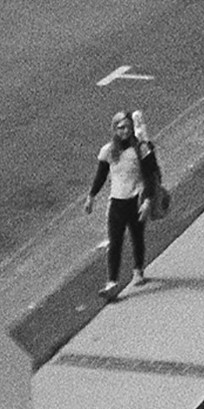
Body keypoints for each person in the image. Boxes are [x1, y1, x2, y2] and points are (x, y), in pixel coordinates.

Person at [86, 106, 155, 298]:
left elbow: (150, 175)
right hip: (116, 202)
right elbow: (101, 175)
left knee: (136, 236)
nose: (124, 131)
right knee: (115, 242)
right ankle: (112, 282)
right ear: (114, 130)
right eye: (120, 128)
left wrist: (148, 200)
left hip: (136, 200)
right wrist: (91, 196)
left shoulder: (141, 149)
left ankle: (138, 269)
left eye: (127, 127)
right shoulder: (108, 151)